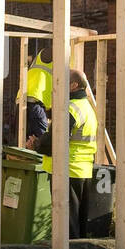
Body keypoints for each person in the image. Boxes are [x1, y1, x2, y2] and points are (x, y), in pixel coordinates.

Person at [39, 69, 98, 238]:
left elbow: (56, 141)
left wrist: (36, 144)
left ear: (73, 85)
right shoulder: (86, 108)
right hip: (82, 171)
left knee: (67, 226)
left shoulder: (71, 109)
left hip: (66, 171)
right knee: (78, 224)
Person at [21, 43, 52, 149]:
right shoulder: (47, 54)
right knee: (44, 142)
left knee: (28, 143)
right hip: (34, 102)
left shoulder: (39, 61)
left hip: (26, 101)